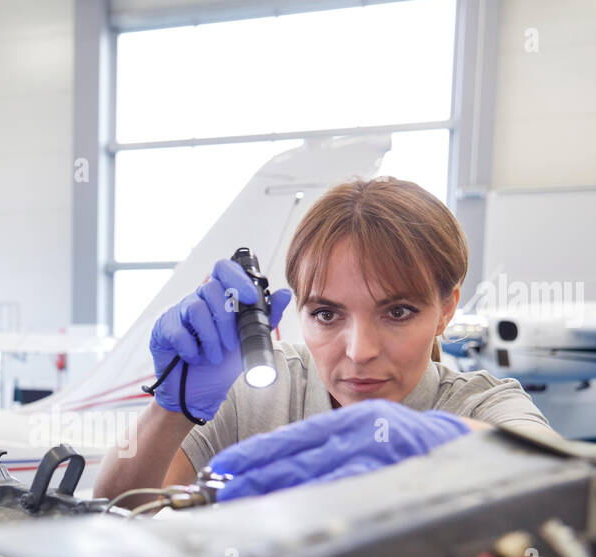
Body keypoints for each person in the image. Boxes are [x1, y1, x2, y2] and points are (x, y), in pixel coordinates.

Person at [93, 176, 556, 503]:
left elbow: (563, 479)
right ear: (298, 310)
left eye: (398, 312)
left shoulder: (481, 405)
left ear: (446, 310)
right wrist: (169, 411)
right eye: (326, 314)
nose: (359, 351)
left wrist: (419, 440)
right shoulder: (256, 393)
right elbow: (123, 509)